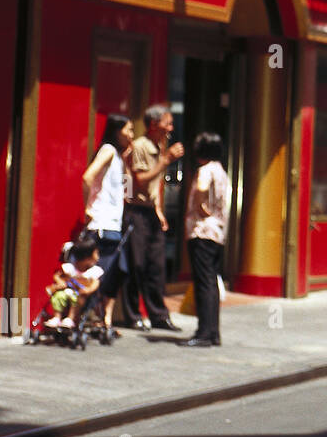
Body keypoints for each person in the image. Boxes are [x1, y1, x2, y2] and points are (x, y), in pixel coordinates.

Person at [123, 104, 184, 331]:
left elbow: (155, 186)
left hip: (150, 211)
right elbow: (141, 180)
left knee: (156, 266)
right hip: (136, 211)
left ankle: (159, 315)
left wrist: (159, 211)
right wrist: (165, 161)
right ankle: (133, 315)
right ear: (153, 124)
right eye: (167, 123)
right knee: (136, 264)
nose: (170, 128)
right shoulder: (141, 146)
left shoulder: (159, 147)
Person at [82, 114, 134, 332]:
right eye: (129, 130)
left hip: (112, 225)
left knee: (116, 271)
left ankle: (104, 319)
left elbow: (128, 193)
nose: (132, 134)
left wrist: (127, 161)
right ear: (117, 131)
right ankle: (89, 317)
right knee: (98, 275)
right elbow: (87, 176)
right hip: (102, 225)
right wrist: (87, 208)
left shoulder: (118, 156)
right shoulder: (108, 151)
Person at [182, 132, 232, 347]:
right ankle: (213, 332)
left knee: (203, 282)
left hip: (202, 231)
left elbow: (202, 190)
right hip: (217, 233)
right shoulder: (222, 172)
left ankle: (203, 332)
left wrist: (201, 208)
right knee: (210, 282)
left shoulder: (205, 170)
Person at [45, 235, 103, 329]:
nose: (98, 257)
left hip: (79, 295)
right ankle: (57, 317)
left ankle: (70, 319)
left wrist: (88, 290)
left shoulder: (94, 271)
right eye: (96, 254)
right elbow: (57, 276)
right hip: (66, 292)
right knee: (58, 296)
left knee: (76, 299)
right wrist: (60, 282)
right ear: (87, 258)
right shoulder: (70, 268)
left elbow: (96, 283)